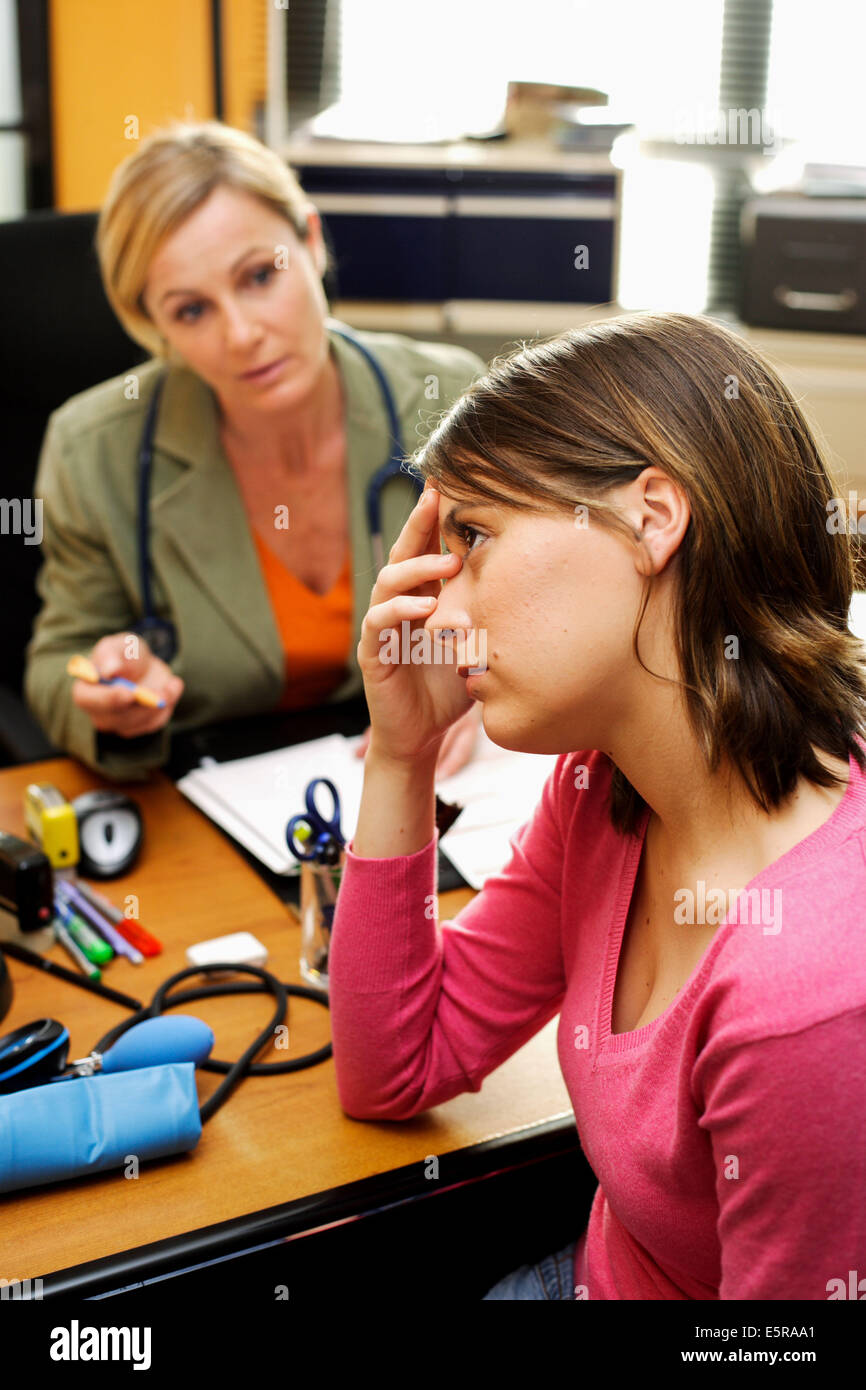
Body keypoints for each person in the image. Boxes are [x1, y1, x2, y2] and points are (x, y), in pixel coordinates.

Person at [327, 310, 866, 1300]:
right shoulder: (601, 786)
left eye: (474, 536)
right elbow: (395, 1067)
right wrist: (400, 756)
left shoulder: (807, 1004)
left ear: (648, 518)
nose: (436, 619)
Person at [24, 121, 486, 780]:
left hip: (433, 780)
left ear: (312, 242)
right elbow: (57, 659)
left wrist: (478, 679)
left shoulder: (450, 401)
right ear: (151, 324)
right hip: (212, 795)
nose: (241, 334)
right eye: (191, 311)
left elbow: (523, 600)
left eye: (259, 276)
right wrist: (103, 693)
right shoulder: (92, 453)